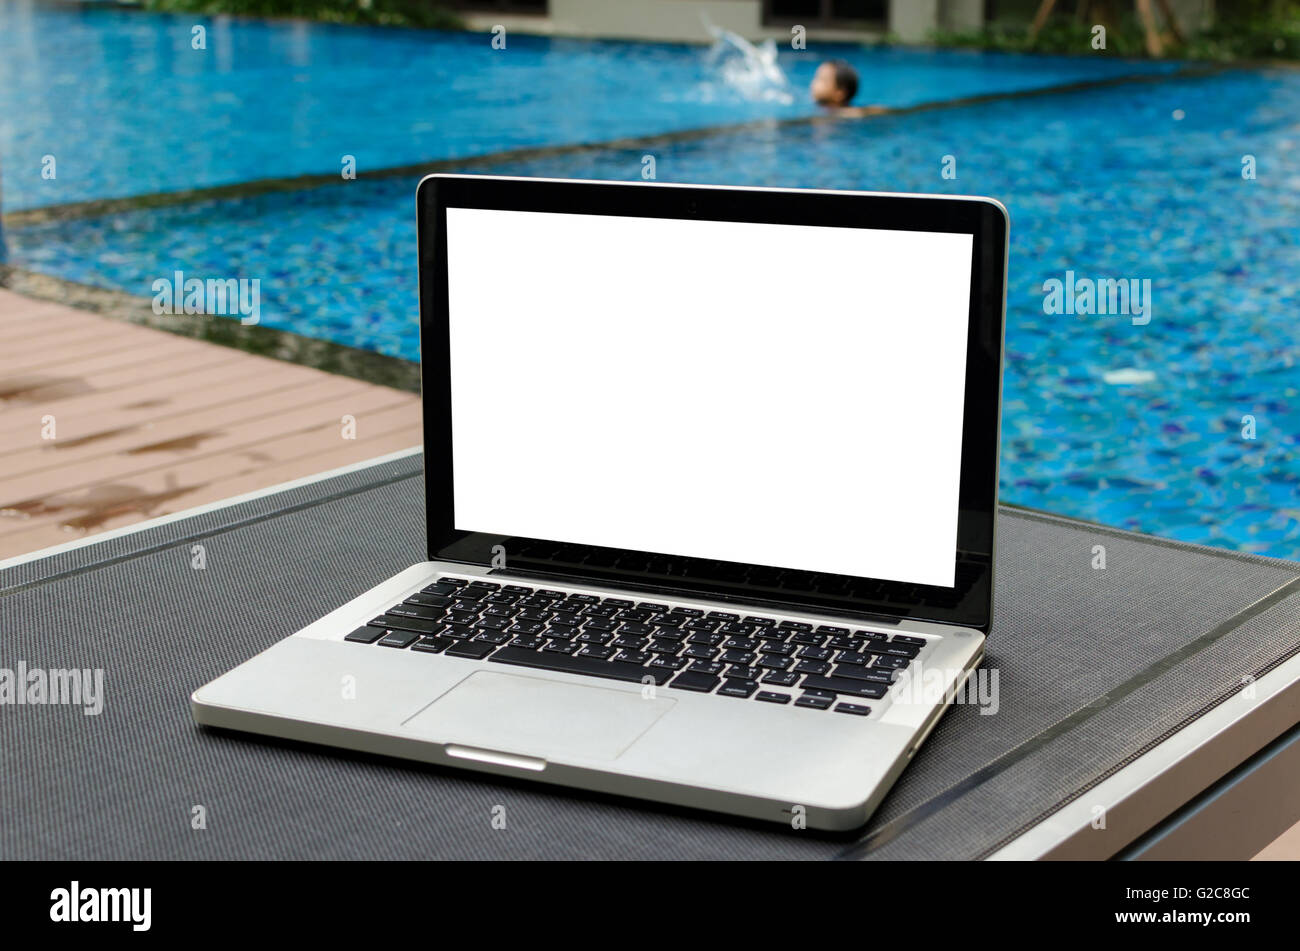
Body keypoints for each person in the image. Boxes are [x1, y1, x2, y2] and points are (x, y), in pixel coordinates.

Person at [810, 59, 889, 116]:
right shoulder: (823, 109)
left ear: (839, 93)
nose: (814, 84)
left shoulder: (848, 114)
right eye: (816, 78)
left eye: (822, 80)